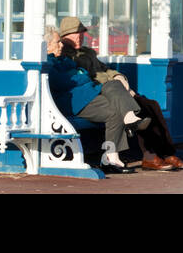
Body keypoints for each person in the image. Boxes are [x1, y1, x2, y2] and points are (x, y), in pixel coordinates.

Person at [55, 17, 183, 170]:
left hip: (113, 89)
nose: (78, 37)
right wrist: (114, 81)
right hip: (98, 92)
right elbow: (89, 77)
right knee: (138, 107)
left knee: (150, 105)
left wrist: (118, 76)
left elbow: (103, 68)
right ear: (64, 37)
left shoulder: (88, 52)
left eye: (80, 33)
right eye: (73, 34)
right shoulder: (65, 56)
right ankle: (149, 155)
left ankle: (166, 153)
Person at [43, 29, 151, 173]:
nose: (61, 45)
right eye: (58, 42)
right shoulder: (47, 62)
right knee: (115, 105)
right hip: (74, 102)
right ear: (47, 45)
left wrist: (78, 76)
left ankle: (111, 155)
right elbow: (63, 81)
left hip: (87, 94)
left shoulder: (64, 60)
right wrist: (79, 76)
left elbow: (83, 74)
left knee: (115, 87)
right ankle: (128, 120)